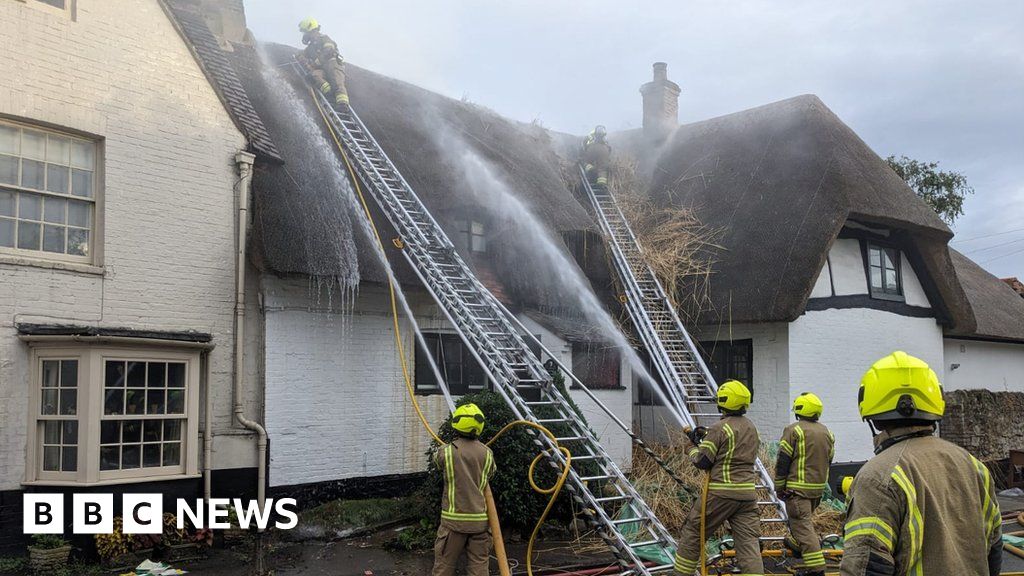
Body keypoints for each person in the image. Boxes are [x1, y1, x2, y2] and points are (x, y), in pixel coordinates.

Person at [841, 351, 1002, 576]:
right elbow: (994, 548)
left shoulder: (877, 476)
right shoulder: (973, 466)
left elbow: (866, 566)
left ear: (873, 416)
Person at [674, 380, 765, 576]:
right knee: (748, 543)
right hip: (747, 496)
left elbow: (702, 462)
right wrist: (706, 436)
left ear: (723, 401)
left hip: (721, 494)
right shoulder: (751, 428)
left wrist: (691, 449)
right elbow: (732, 447)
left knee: (693, 532)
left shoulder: (719, 428)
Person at [431, 403, 497, 576]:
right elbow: (491, 473)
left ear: (456, 424)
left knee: (444, 566)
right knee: (479, 568)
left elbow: (437, 461)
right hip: (480, 522)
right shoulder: (487, 453)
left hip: (454, 523)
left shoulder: (446, 452)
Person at [775, 392, 835, 576]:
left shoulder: (794, 430)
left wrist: (779, 487)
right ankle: (796, 545)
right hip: (816, 491)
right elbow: (829, 459)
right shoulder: (827, 432)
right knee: (803, 525)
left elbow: (783, 461)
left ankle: (816, 570)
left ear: (799, 410)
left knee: (803, 529)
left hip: (797, 491)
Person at [298, 18, 349, 109]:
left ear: (311, 30)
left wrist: (316, 63)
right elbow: (303, 54)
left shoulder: (324, 39)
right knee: (315, 75)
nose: (304, 35)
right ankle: (329, 94)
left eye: (305, 32)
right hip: (322, 68)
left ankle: (343, 104)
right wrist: (300, 57)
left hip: (332, 64)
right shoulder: (310, 47)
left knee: (337, 83)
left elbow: (328, 50)